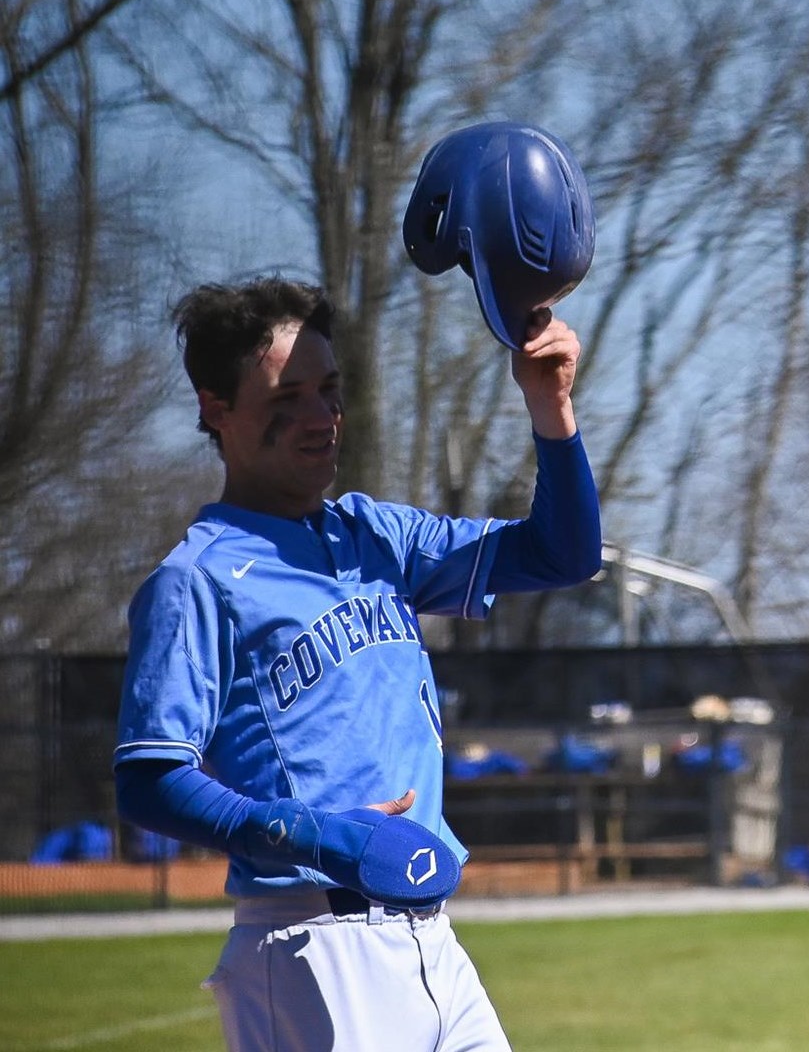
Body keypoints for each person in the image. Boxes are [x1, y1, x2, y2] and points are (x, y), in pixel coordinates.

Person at [114, 279, 602, 1051]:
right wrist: (314, 835)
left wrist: (551, 409)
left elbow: (562, 555)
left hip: (432, 940)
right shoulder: (197, 578)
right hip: (312, 946)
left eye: (331, 390)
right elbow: (148, 776)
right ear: (216, 409)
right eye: (289, 395)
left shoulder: (378, 537)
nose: (320, 417)